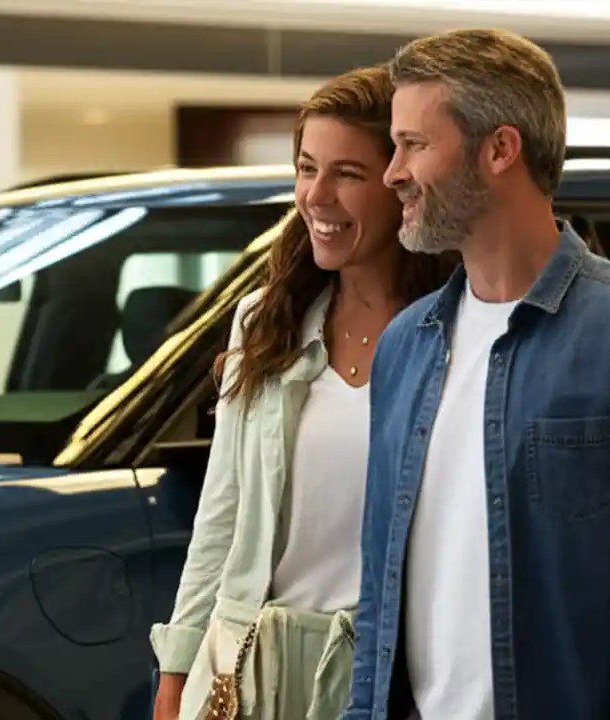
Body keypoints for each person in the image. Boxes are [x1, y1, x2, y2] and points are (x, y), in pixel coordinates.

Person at [149, 65, 454, 720]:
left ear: (400, 182)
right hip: (251, 671)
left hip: (390, 672)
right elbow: (222, 512)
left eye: (347, 173)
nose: (316, 195)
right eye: (306, 168)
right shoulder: (265, 321)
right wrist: (177, 668)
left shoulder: (454, 332)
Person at [346, 28, 610, 720]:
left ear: (500, 149)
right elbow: (379, 593)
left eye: (413, 144)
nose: (391, 173)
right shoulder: (406, 346)